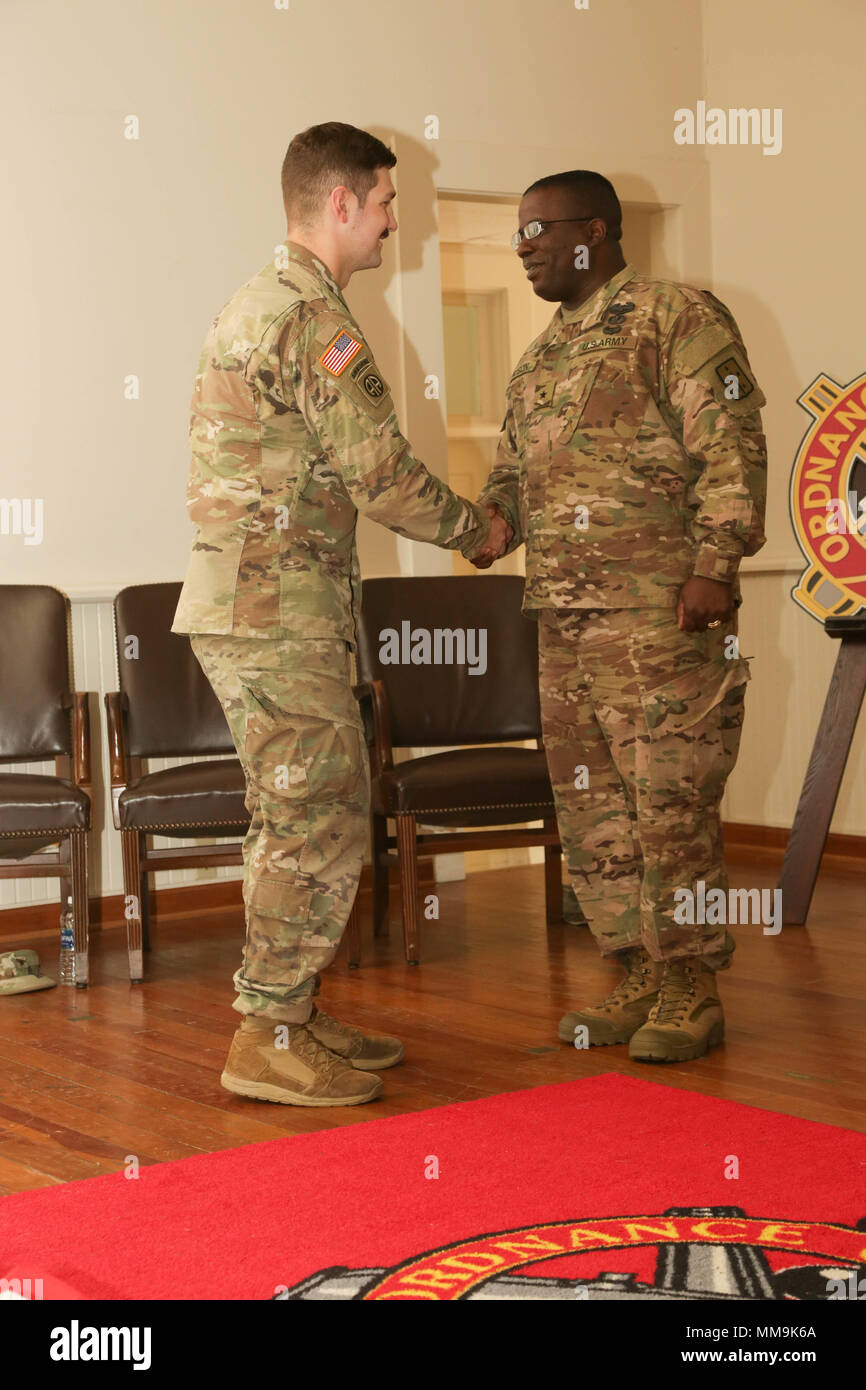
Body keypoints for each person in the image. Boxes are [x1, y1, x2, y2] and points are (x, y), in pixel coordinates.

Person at [172, 123, 511, 1107]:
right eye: (386, 203)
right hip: (272, 607)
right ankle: (267, 1031)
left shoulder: (259, 302)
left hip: (262, 600)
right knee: (311, 817)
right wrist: (475, 529)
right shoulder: (308, 318)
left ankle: (295, 1012)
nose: (392, 223)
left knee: (306, 808)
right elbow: (381, 476)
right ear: (340, 205)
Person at [475, 170, 767, 1063]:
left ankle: (692, 984)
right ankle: (636, 964)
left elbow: (731, 440)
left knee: (671, 799)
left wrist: (716, 562)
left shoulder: (675, 316)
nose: (524, 246)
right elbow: (510, 475)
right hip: (562, 617)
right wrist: (484, 524)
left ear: (593, 232)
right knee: (594, 806)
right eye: (518, 234)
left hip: (661, 613)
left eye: (538, 230)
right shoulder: (540, 358)